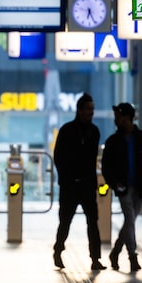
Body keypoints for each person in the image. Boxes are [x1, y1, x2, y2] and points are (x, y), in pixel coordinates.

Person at [101, 102, 142, 273]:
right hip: (124, 189)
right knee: (130, 219)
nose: (116, 120)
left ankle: (115, 252)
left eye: (118, 117)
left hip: (140, 188)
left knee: (130, 222)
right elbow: (106, 167)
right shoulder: (113, 142)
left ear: (127, 117)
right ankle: (132, 257)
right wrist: (114, 184)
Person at [51, 93, 105, 270]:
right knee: (65, 221)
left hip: (87, 184)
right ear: (79, 110)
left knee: (93, 222)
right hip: (70, 185)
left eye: (93, 109)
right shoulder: (67, 130)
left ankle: (95, 258)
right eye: (88, 109)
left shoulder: (94, 131)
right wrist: (65, 179)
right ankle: (58, 249)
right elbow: (58, 156)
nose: (91, 112)